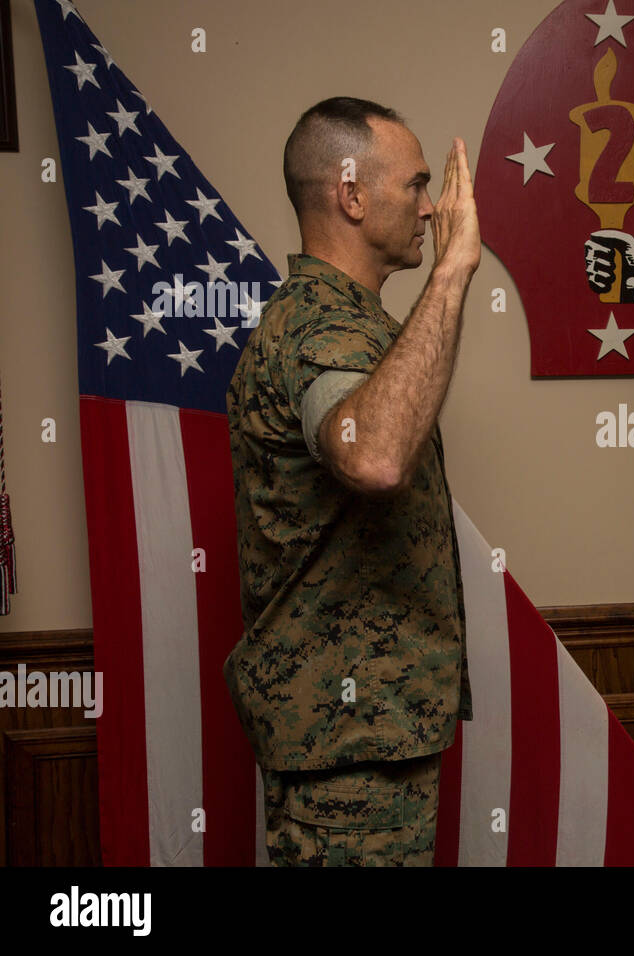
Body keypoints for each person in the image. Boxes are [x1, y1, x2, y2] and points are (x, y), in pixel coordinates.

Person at [224, 97, 480, 866]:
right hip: (345, 736)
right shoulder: (314, 325)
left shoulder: (356, 323)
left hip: (370, 729)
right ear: (351, 193)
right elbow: (374, 457)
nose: (431, 206)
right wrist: (456, 269)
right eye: (415, 184)